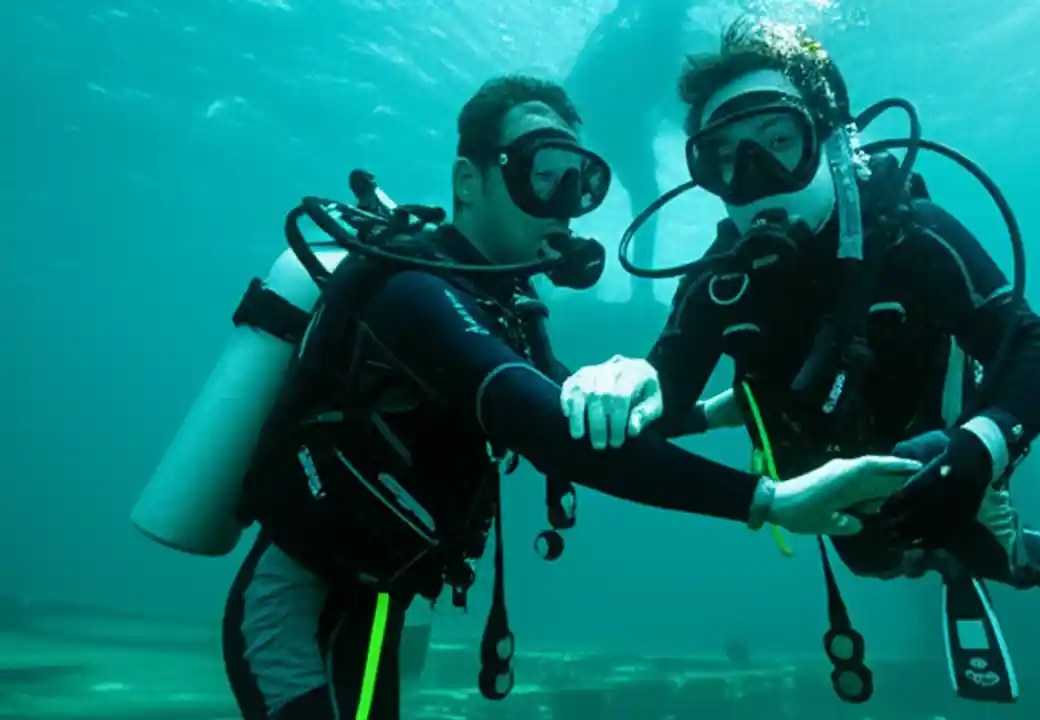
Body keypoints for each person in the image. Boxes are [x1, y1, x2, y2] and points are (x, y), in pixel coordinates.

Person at [218, 74, 922, 720]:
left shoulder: (507, 309)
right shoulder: (420, 293)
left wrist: (714, 412)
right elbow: (557, 435)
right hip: (298, 600)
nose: (565, 206)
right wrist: (767, 501)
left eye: (579, 181)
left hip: (375, 596)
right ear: (469, 180)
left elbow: (592, 430)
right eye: (541, 174)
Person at [559, 20, 1040, 720]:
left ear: (833, 141)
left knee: (984, 545)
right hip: (829, 477)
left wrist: (978, 448)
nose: (753, 182)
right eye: (723, 160)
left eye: (779, 144)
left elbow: (1035, 347)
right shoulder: (722, 282)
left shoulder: (914, 236)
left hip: (937, 452)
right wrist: (624, 381)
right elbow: (665, 386)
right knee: (875, 561)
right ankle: (943, 566)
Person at [563, 0, 697, 304]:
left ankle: (641, 293)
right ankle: (639, 294)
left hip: (616, 131)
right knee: (564, 190)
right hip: (599, 126)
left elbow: (672, 103)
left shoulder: (641, 39)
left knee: (641, 199)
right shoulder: (641, 42)